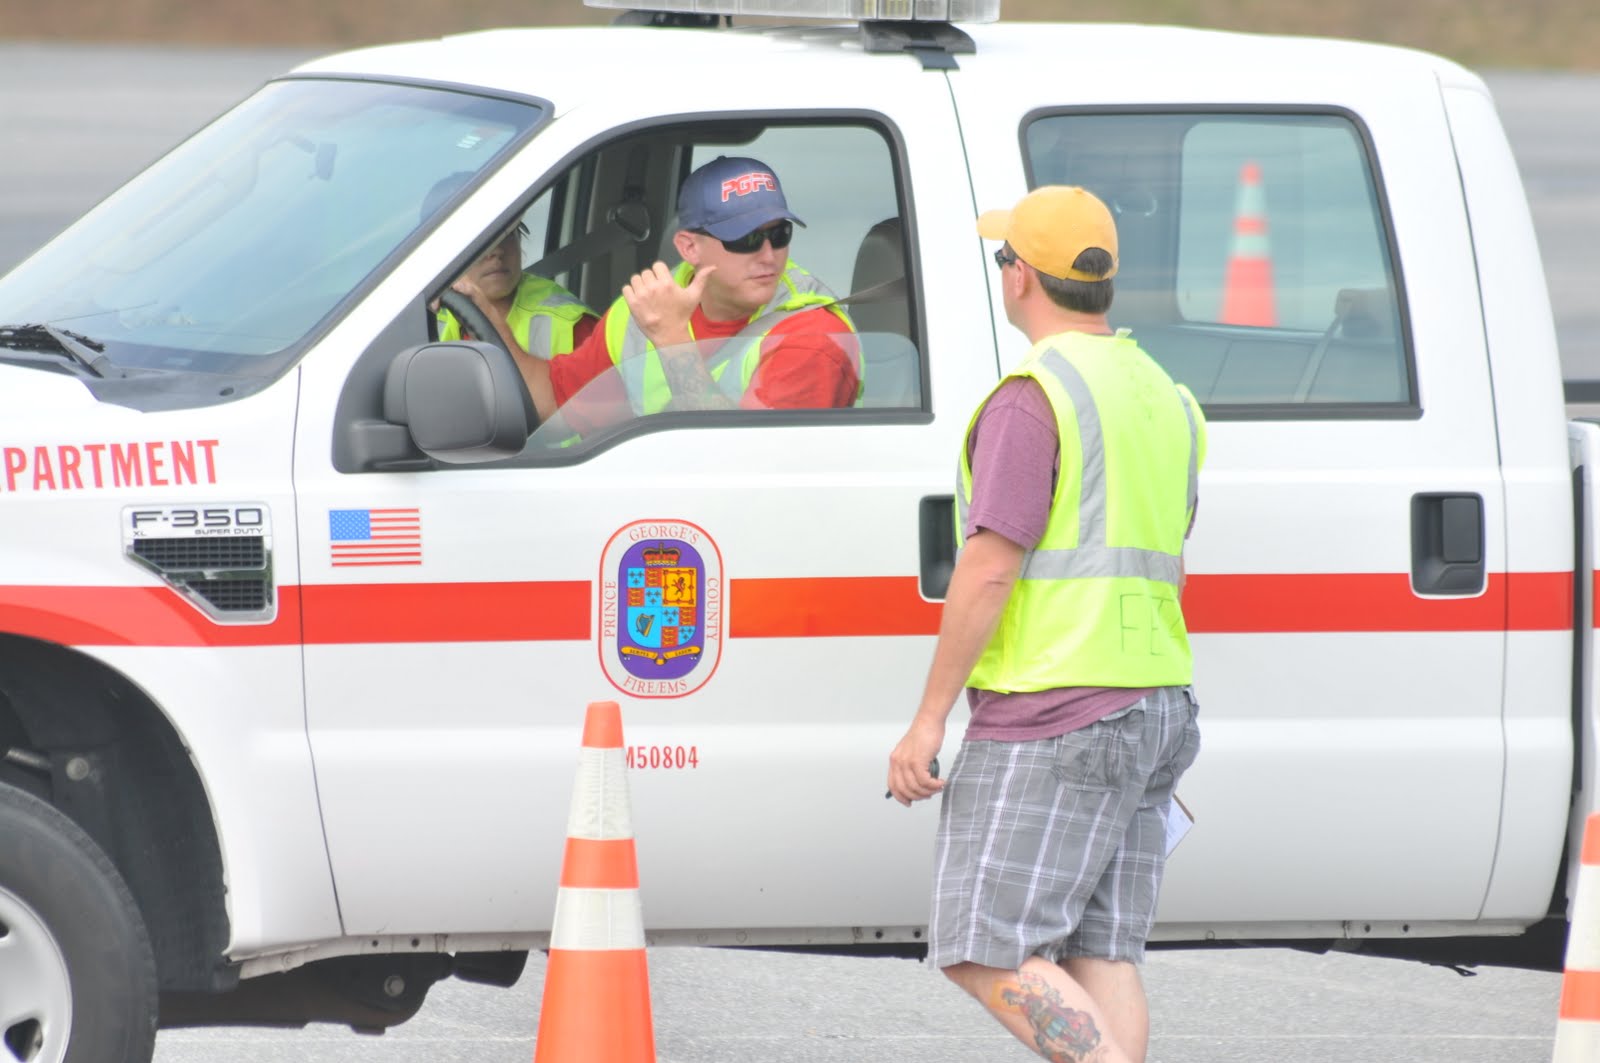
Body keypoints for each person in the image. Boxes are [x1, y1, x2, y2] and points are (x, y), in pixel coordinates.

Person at [886, 186, 1206, 1063]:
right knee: (1103, 950)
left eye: (1003, 259)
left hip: (1055, 711)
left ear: (1019, 276)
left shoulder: (1036, 397)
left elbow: (991, 566)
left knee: (984, 944)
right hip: (1156, 705)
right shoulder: (1165, 394)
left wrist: (929, 718)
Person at [522, 155, 857, 425]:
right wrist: (484, 309)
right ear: (689, 248)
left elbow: (746, 466)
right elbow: (554, 400)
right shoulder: (649, 303)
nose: (769, 256)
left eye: (780, 234)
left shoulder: (814, 336)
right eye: (747, 239)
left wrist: (672, 340)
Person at [423, 171, 600, 397]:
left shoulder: (571, 324)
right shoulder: (423, 317)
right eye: (479, 241)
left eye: (506, 235)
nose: (496, 251)